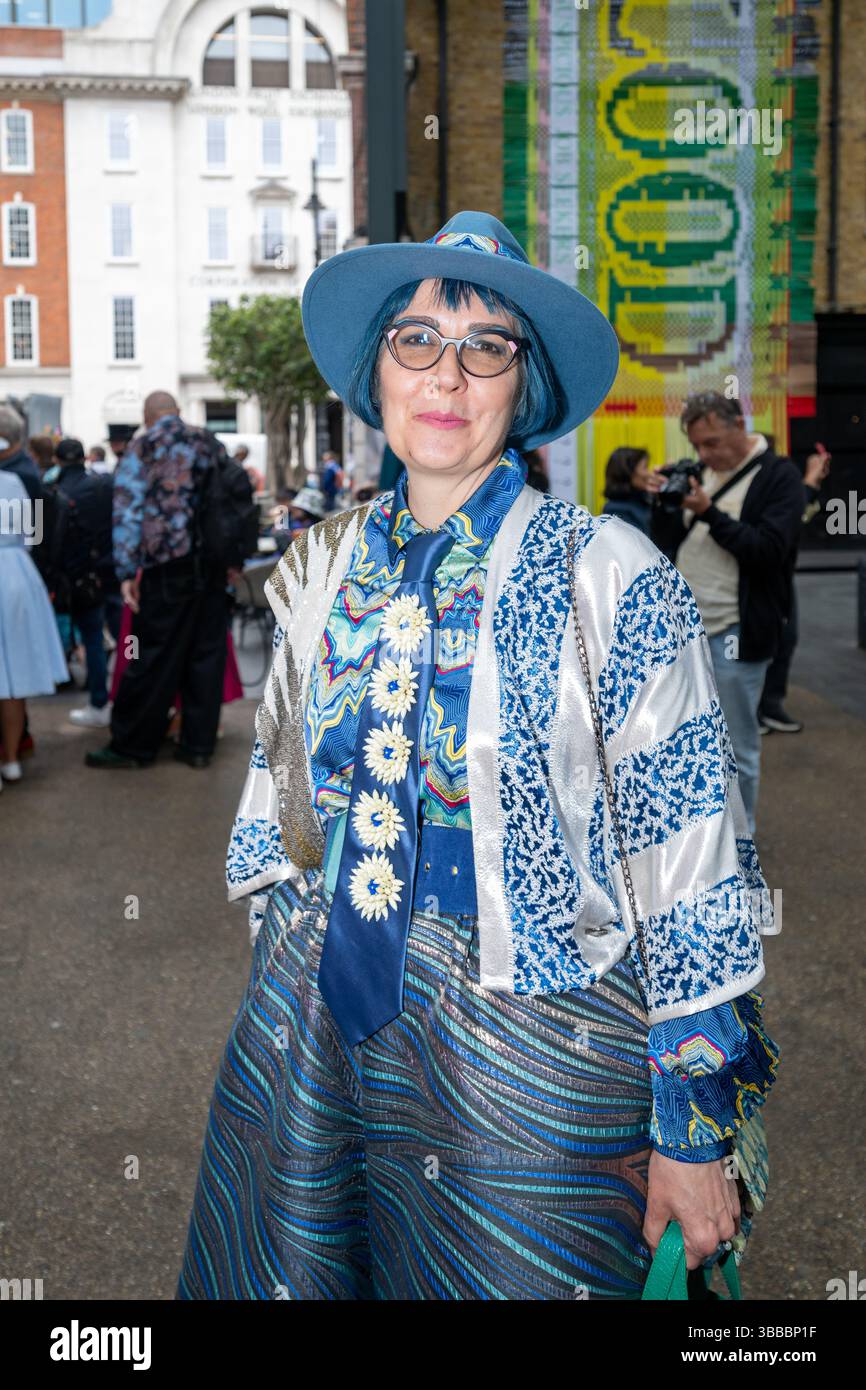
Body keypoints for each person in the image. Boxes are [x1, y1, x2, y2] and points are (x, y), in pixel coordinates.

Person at [176, 210, 780, 1302]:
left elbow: (688, 858)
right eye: (416, 340)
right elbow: (277, 798)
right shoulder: (318, 564)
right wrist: (278, 959)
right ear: (378, 373)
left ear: (523, 383)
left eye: (483, 345)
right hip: (312, 1025)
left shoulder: (610, 571)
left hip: (532, 1041)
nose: (445, 373)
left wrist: (692, 1129)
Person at [646, 392, 804, 834]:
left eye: (712, 443)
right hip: (684, 629)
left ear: (739, 426)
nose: (704, 455)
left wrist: (710, 513)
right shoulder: (702, 473)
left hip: (736, 630)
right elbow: (667, 541)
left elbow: (769, 551)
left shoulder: (779, 477)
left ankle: (740, 837)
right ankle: (697, 832)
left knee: (735, 744)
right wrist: (665, 502)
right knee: (683, 737)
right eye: (698, 446)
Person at [85, 391, 231, 771]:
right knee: (205, 657)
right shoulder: (208, 440)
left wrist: (125, 572)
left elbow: (128, 511)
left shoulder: (144, 446)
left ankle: (133, 746)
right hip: (213, 567)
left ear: (148, 416)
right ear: (177, 412)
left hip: (167, 566)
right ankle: (197, 746)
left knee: (150, 656)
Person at [0, 469, 68, 787]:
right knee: (13, 678)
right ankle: (11, 759)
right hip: (16, 573)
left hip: (14, 568)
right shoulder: (14, 481)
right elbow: (34, 533)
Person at [758, 443, 831, 734]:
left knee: (785, 641)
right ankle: (754, 708)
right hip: (757, 581)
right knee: (753, 647)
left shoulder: (776, 486)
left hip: (780, 580)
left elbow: (795, 516)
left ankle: (769, 705)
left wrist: (811, 481)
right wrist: (810, 480)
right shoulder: (753, 489)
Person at [53, 437, 116, 728]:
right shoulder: (103, 485)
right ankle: (123, 696)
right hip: (111, 572)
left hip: (80, 579)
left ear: (58, 460)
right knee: (128, 638)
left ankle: (100, 700)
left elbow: (51, 542)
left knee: (92, 639)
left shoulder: (56, 492)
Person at [601, 445, 652, 533]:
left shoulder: (643, 500)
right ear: (628, 472)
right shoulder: (616, 509)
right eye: (645, 467)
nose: (649, 473)